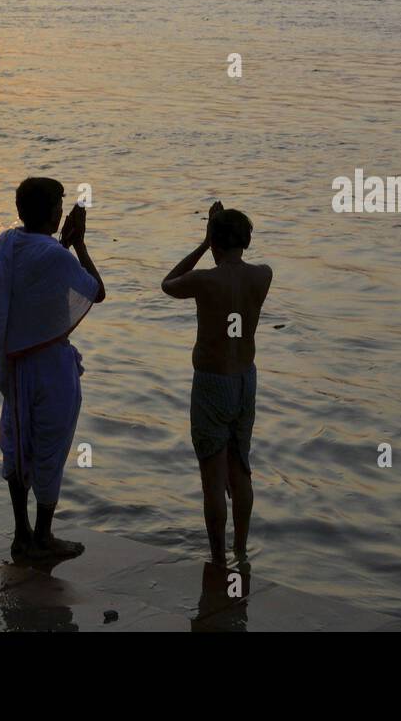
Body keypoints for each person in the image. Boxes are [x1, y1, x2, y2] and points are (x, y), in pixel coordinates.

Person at [0, 177, 105, 561]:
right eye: (58, 205)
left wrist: (63, 244)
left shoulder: (8, 243)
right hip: (49, 366)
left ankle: (22, 535)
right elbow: (95, 290)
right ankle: (44, 535)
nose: (60, 211)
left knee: (18, 445)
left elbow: (31, 283)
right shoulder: (54, 255)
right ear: (51, 212)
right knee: (50, 448)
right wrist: (79, 242)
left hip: (16, 366)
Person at [162, 201, 272, 566]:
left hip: (212, 384)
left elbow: (168, 283)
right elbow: (233, 276)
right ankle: (241, 550)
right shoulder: (263, 275)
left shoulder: (203, 281)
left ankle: (218, 558)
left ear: (216, 243)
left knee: (212, 478)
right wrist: (216, 240)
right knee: (240, 469)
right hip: (246, 381)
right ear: (247, 240)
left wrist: (202, 244)